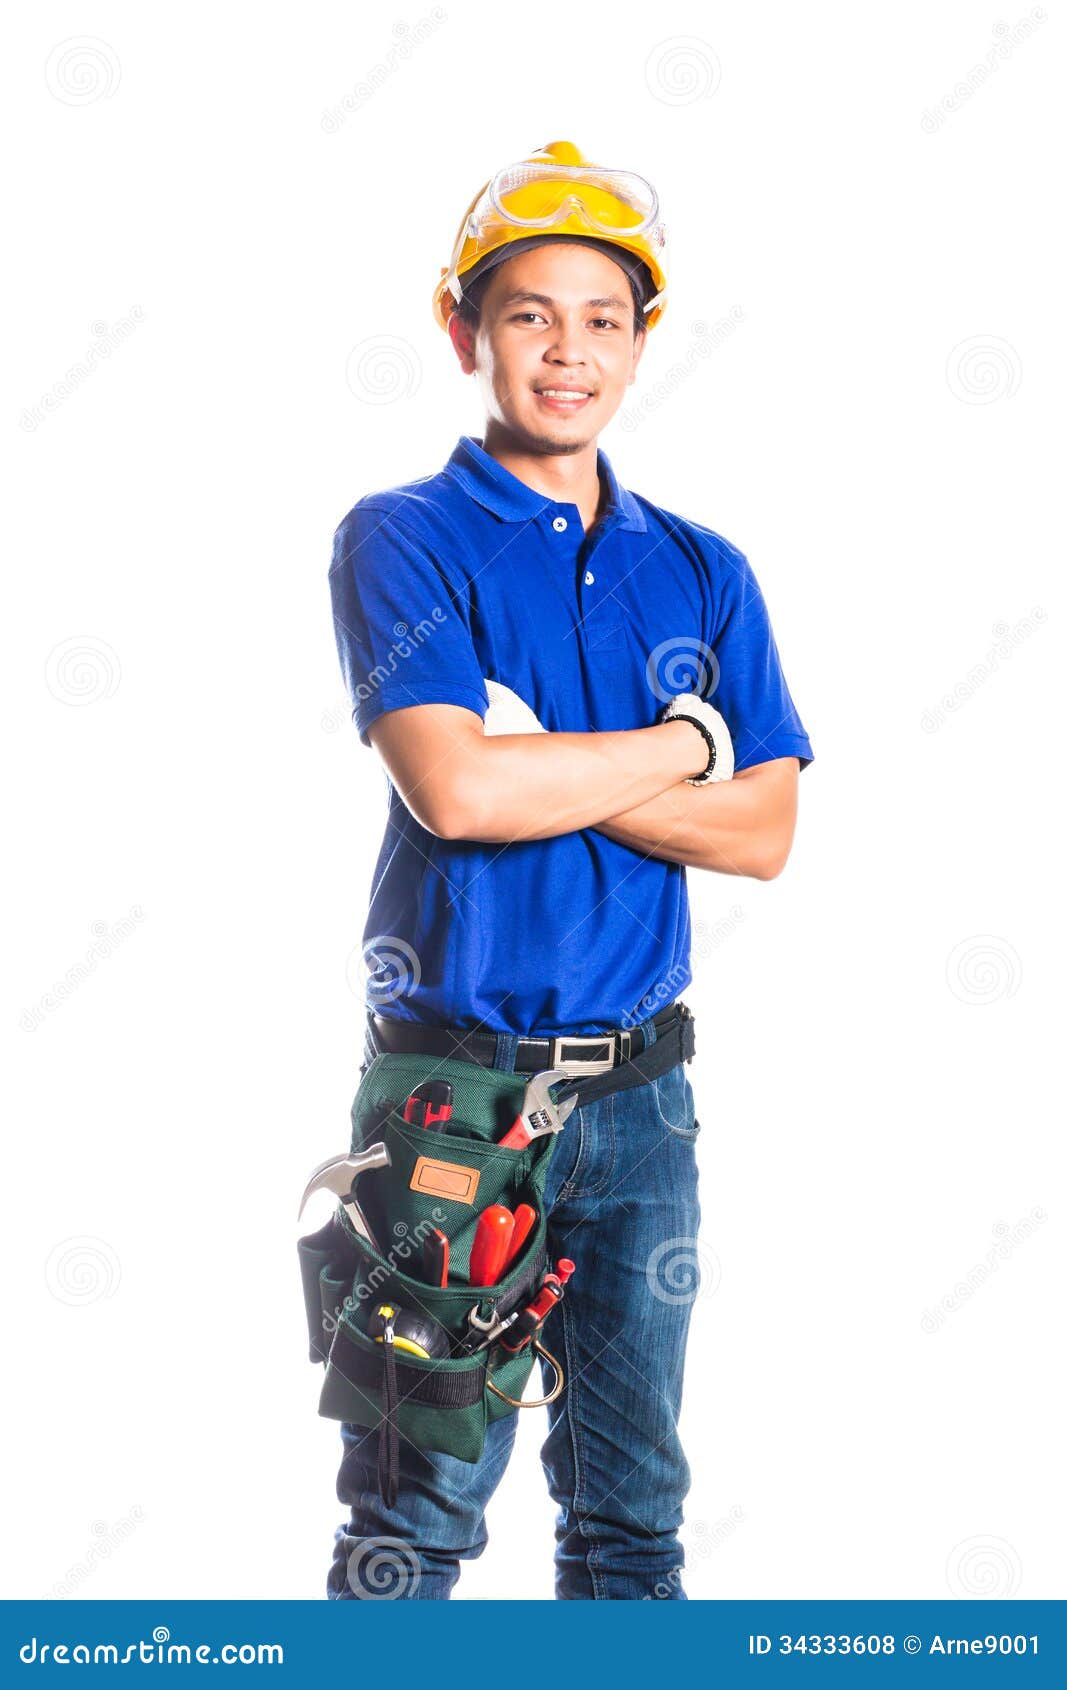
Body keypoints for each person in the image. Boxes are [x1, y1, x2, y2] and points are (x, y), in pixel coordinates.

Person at [325, 141, 814, 1600]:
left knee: (631, 1527)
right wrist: (682, 740)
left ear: (643, 340)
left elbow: (767, 834)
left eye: (604, 317)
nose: (569, 350)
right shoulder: (402, 537)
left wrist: (571, 761)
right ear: (462, 329)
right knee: (413, 1525)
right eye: (531, 313)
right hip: (449, 1100)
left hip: (644, 1105)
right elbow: (461, 789)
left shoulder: (703, 566)